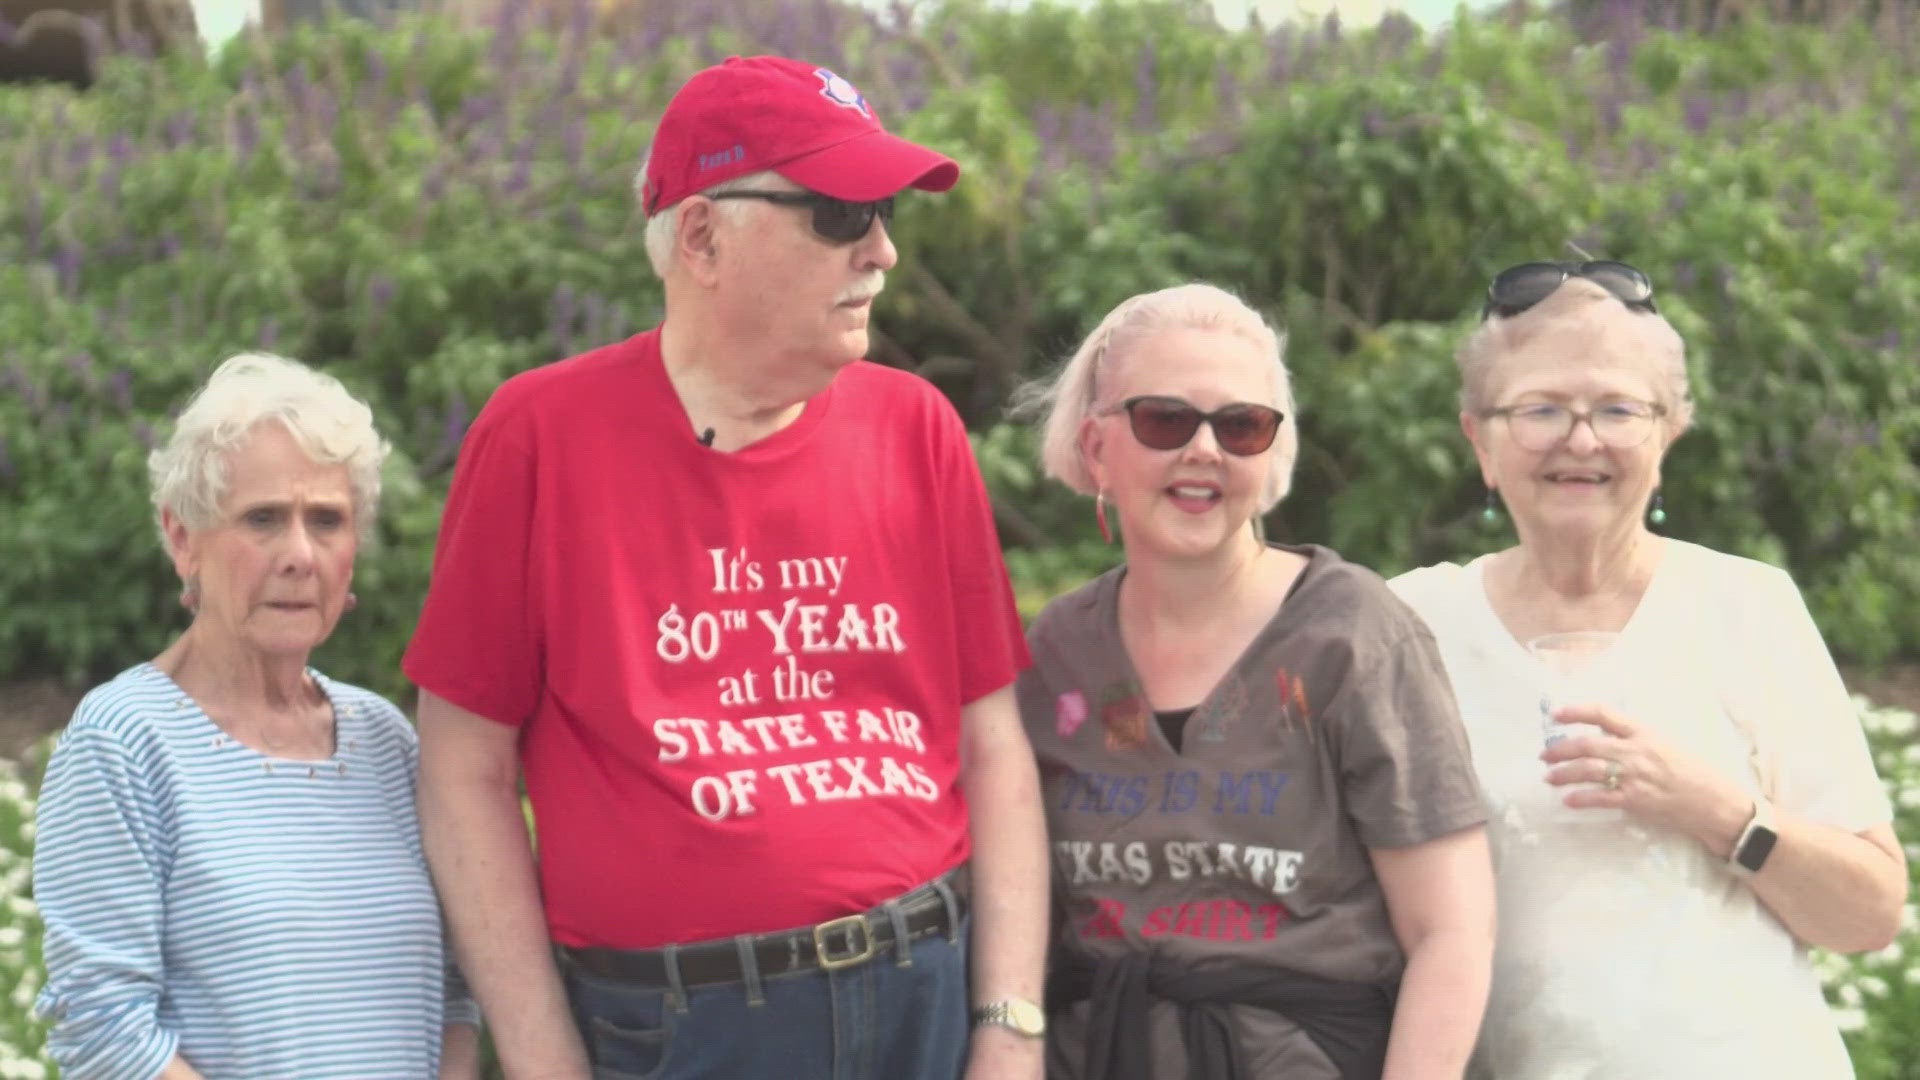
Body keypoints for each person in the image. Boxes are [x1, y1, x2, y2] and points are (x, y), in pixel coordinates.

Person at [403, 55, 1048, 1080]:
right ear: (701, 237)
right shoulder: (540, 435)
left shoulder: (916, 425)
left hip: (921, 989)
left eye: (884, 212)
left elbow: (993, 744)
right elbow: (463, 767)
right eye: (841, 214)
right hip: (679, 1027)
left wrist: (1009, 1030)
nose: (881, 251)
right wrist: (539, 1055)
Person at [1388, 261, 1910, 1078]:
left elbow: (1869, 913)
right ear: (1480, 442)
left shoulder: (1745, 606)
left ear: (1668, 436)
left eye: (1618, 409)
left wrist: (1719, 810)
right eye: (1541, 409)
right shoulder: (1413, 625)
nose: (1581, 438)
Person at [1013, 282, 1496, 1079]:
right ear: (1098, 447)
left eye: (1240, 425)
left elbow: (1453, 932)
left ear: (1270, 452)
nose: (1204, 450)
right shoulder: (1057, 652)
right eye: (1165, 419)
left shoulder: (1350, 634)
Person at [32, 353, 479, 1080]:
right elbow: (104, 1033)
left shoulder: (387, 743)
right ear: (184, 539)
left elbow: (455, 999)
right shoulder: (121, 743)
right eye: (264, 519)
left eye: (326, 521)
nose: (300, 554)